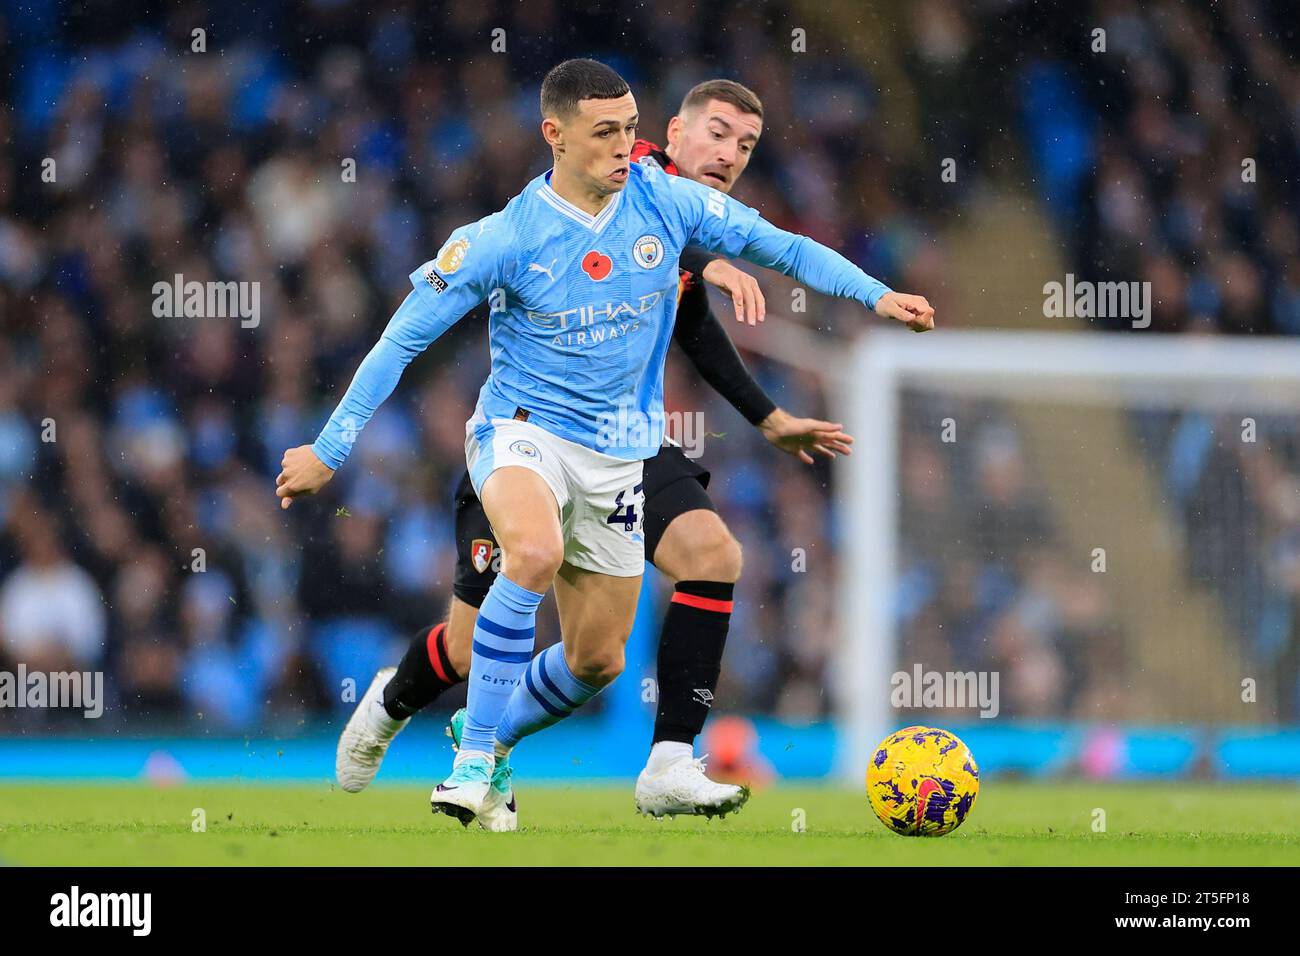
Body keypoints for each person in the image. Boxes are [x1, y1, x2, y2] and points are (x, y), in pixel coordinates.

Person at [276, 59, 933, 831]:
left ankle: (459, 718)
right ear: (554, 135)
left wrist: (877, 293)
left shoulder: (665, 203)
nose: (627, 145)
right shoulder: (503, 238)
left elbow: (785, 248)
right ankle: (474, 757)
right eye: (606, 132)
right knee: (532, 554)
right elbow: (399, 341)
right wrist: (329, 446)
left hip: (619, 454)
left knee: (597, 661)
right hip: (522, 434)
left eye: (630, 128)